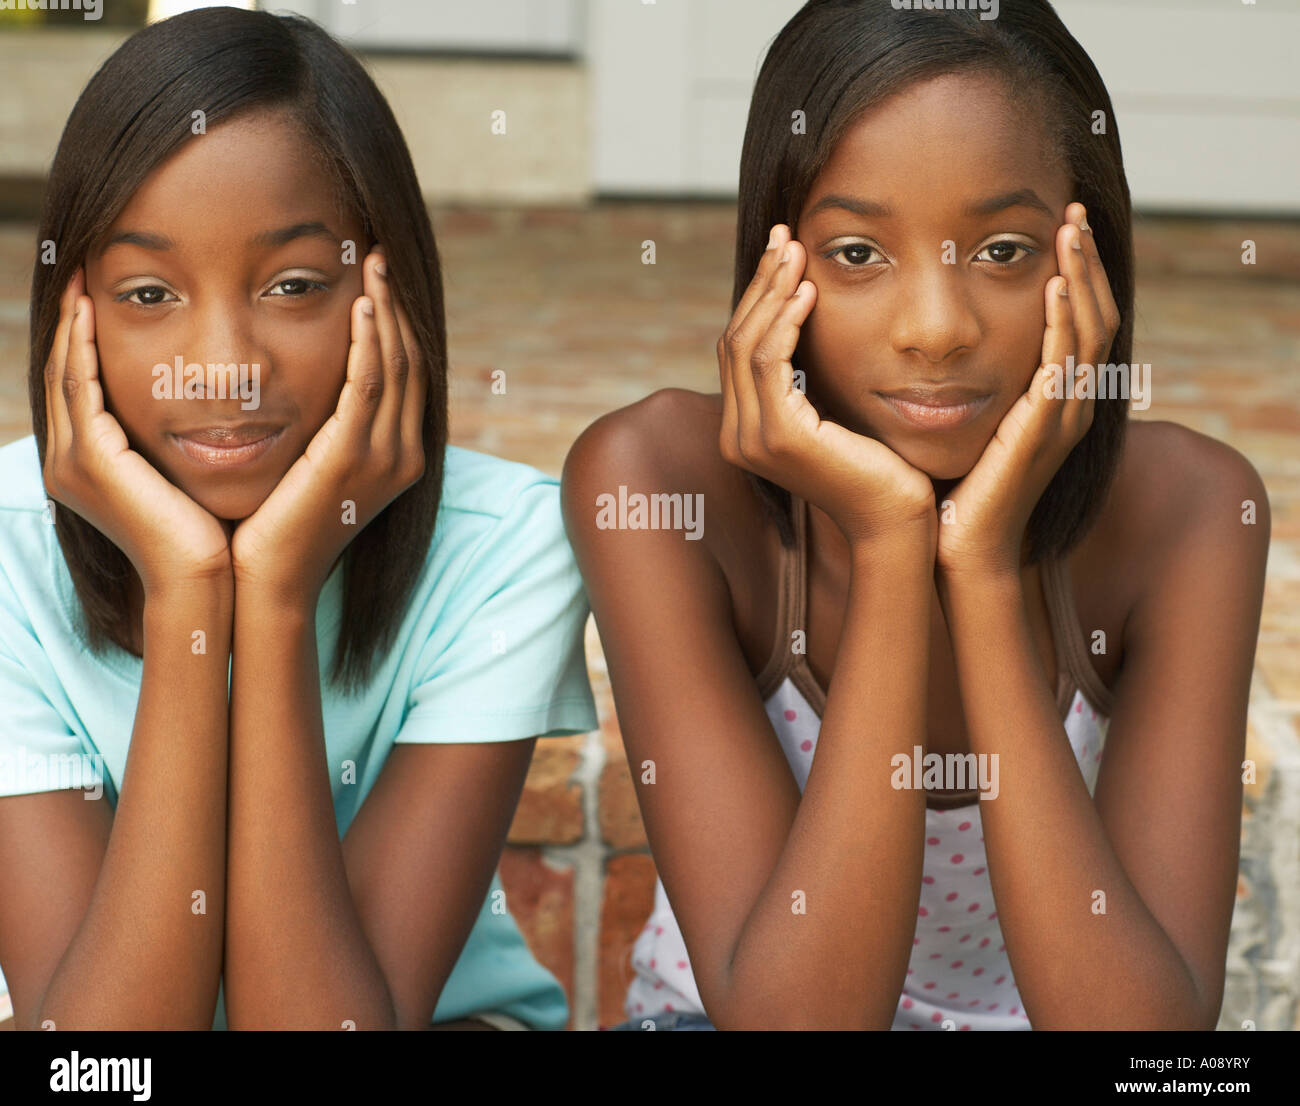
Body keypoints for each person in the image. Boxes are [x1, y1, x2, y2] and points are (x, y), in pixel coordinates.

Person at [566, 0, 1269, 1030]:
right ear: (774, 262)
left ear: (1092, 270)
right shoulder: (657, 483)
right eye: (857, 252)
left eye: (1001, 251)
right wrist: (893, 542)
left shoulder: (1192, 511)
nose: (934, 328)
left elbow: (1148, 1046)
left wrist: (979, 570)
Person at [0, 6, 597, 1031]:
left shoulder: (505, 547)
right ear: (73, 315)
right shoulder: (9, 549)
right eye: (149, 291)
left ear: (390, 295)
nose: (225, 358)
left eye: (293, 284)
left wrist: (271, 597)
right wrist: (191, 587)